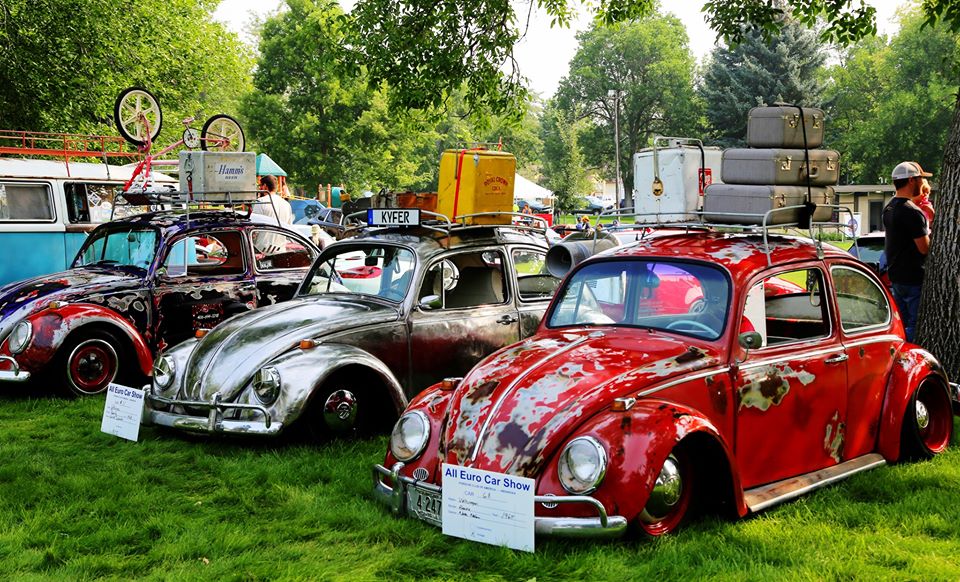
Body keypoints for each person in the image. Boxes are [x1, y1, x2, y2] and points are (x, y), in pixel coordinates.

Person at [882, 161, 932, 342]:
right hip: (914, 277)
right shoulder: (912, 212)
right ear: (911, 180)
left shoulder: (889, 208)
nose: (923, 183)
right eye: (921, 179)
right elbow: (924, 248)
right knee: (915, 325)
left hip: (896, 276)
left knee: (902, 325)